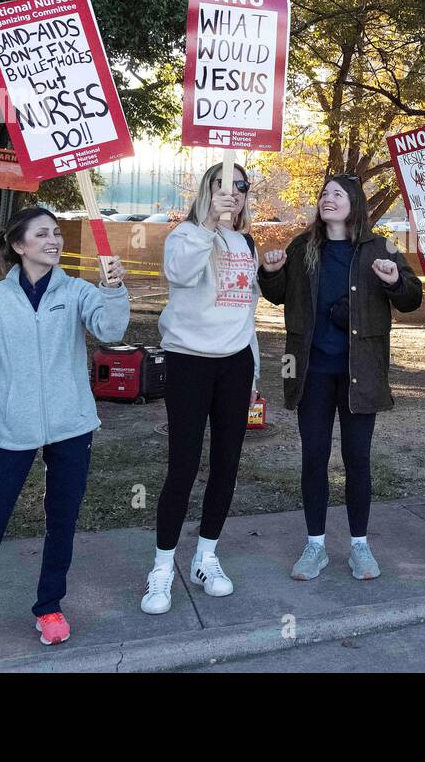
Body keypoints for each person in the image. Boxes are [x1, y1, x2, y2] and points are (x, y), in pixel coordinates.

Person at [0, 207, 129, 664]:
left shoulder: (76, 290)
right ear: (19, 246)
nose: (54, 240)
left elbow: (110, 330)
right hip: (9, 430)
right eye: (43, 234)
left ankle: (50, 607)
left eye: (57, 233)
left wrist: (113, 288)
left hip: (71, 426)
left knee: (62, 521)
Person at [258, 174, 422, 581]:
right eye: (324, 194)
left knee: (357, 461)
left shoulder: (379, 247)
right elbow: (278, 295)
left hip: (359, 374)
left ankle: (360, 548)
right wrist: (271, 272)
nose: (327, 199)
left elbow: (412, 298)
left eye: (337, 194)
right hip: (311, 373)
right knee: (313, 459)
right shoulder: (302, 247)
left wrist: (394, 280)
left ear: (354, 203)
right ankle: (315, 546)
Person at [141, 162, 260, 615]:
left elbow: (245, 313)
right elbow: (181, 275)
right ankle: (163, 565)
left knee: (227, 463)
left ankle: (206, 555)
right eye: (222, 185)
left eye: (240, 187)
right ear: (206, 190)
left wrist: (252, 376)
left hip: (234, 365)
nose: (232, 194)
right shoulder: (185, 234)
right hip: (189, 361)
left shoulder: (246, 242)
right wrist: (209, 222)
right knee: (184, 464)